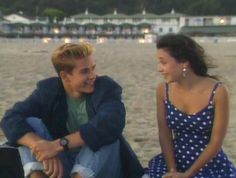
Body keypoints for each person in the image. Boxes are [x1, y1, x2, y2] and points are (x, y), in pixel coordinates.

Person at [0, 42, 144, 178]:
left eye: (93, 68)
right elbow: (10, 118)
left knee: (106, 136)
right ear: (64, 76)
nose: (93, 76)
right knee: (30, 123)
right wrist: (40, 146)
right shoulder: (49, 91)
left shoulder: (105, 88)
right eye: (85, 72)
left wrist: (57, 146)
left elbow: (110, 123)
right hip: (62, 164)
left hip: (101, 166)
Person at [143, 34, 236, 178]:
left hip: (208, 164)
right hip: (173, 160)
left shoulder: (217, 91)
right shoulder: (163, 90)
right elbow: (164, 134)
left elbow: (216, 141)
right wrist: (172, 170)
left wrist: (188, 174)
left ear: (184, 63)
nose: (159, 69)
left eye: (163, 62)